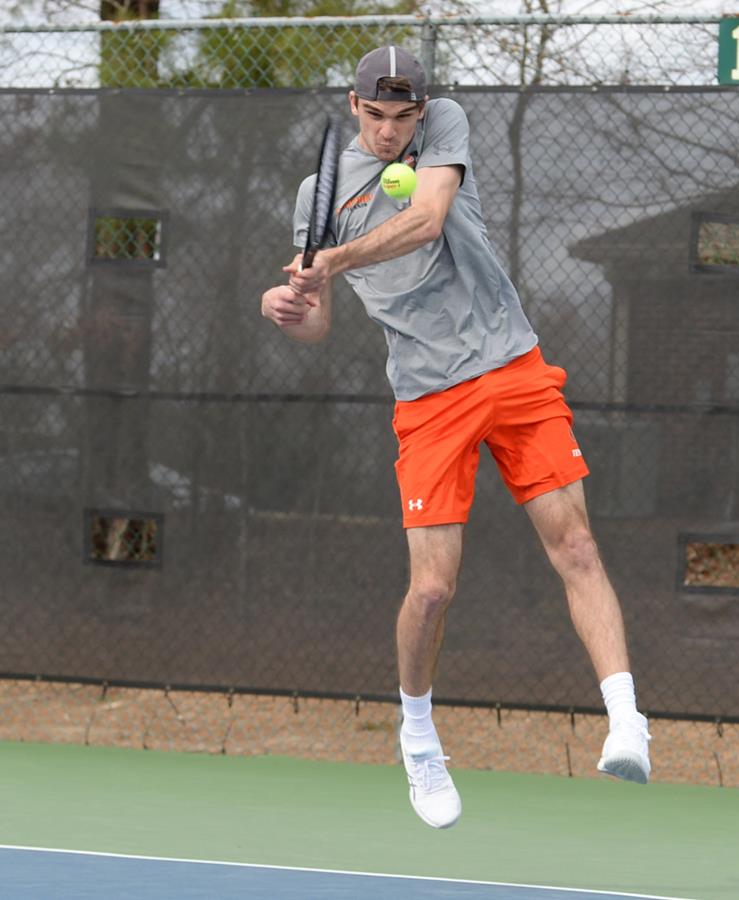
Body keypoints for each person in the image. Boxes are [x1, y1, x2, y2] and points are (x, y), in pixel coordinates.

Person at [259, 46, 650, 829]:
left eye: (403, 118)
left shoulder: (444, 127)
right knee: (433, 589)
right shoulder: (321, 194)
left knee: (575, 546)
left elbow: (429, 218)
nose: (391, 133)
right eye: (376, 116)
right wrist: (296, 307)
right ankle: (418, 737)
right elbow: (322, 323)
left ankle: (627, 723)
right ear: (352, 104)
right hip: (428, 397)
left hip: (512, 364)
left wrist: (332, 258)